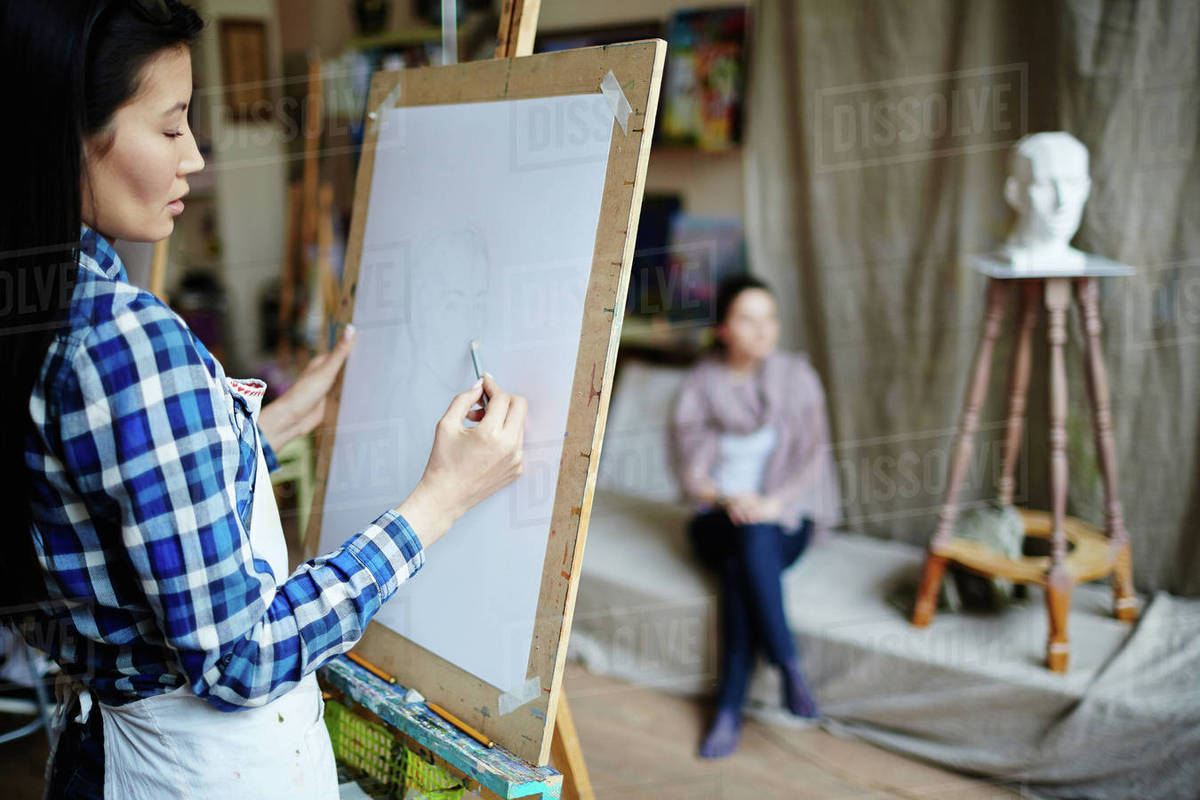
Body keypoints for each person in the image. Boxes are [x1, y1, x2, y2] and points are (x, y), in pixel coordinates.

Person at [0, 2, 526, 797]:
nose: (196, 159)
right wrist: (439, 502)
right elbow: (239, 657)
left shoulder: (44, 304)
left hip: (107, 752)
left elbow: (112, 487)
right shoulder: (124, 343)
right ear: (67, 133)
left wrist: (262, 426)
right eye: (171, 126)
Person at [670, 274, 840, 759]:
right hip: (717, 517)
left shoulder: (797, 377)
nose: (763, 330)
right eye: (748, 319)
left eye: (769, 319)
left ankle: (728, 710)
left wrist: (770, 503)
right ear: (723, 328)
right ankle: (788, 666)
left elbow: (812, 458)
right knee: (743, 541)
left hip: (783, 518)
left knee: (743, 557)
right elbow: (690, 473)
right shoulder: (702, 383)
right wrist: (729, 500)